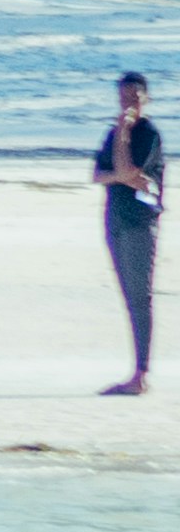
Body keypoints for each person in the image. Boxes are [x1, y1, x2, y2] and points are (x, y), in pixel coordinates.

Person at [102, 72, 163, 398]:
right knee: (129, 297)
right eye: (123, 97)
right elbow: (99, 175)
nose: (128, 104)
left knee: (140, 299)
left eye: (134, 97)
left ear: (145, 98)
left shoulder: (149, 134)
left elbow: (127, 171)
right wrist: (119, 175)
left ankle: (140, 375)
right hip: (115, 218)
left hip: (140, 222)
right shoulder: (112, 132)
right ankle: (136, 372)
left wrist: (124, 132)